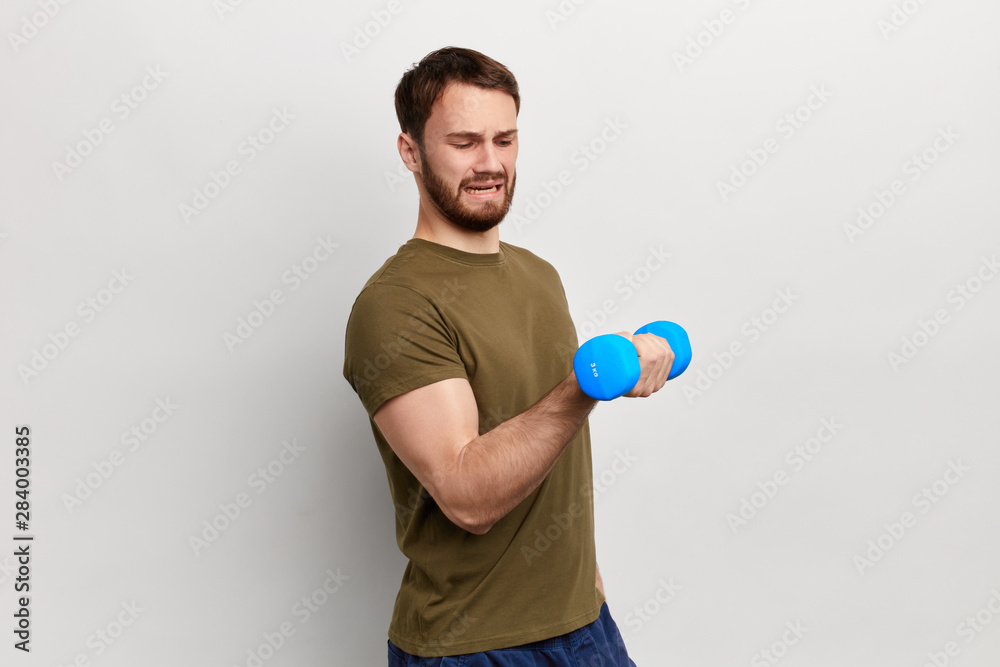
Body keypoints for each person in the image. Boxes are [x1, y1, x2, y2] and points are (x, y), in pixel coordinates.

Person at [343, 46, 674, 666]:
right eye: (464, 142)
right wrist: (586, 386)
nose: (491, 163)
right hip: (472, 647)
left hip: (583, 626)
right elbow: (468, 496)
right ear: (410, 151)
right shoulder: (396, 304)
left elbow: (551, 449)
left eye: (505, 139)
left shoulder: (539, 276)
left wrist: (588, 586)